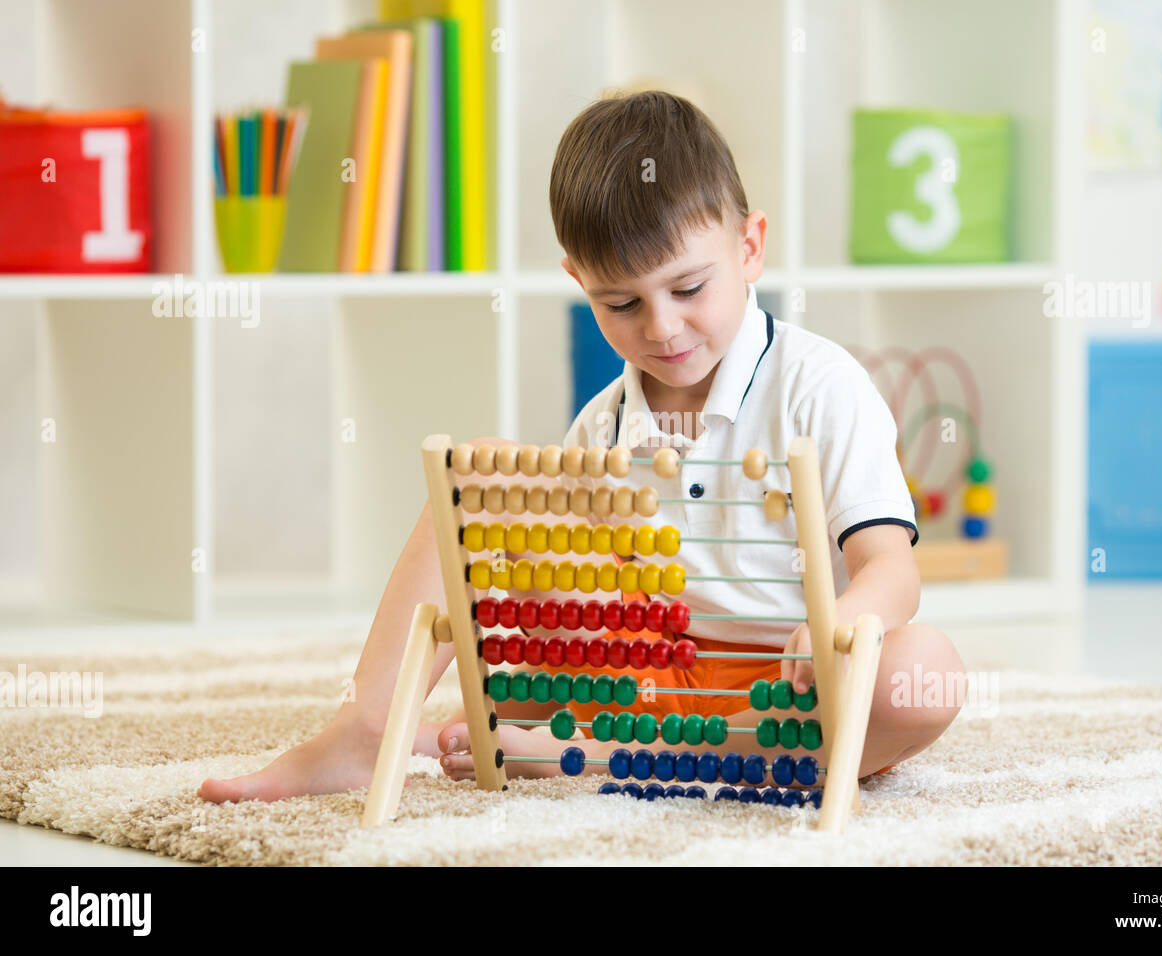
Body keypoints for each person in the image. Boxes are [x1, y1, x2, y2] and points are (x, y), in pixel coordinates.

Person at [198, 90, 966, 804]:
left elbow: (889, 567)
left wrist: (850, 621)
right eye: (621, 302)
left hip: (791, 691)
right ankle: (364, 732)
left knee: (922, 673)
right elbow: (580, 599)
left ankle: (597, 756)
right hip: (638, 680)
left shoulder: (822, 385)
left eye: (689, 288)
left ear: (750, 247)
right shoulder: (604, 424)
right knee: (481, 470)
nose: (661, 328)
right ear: (578, 280)